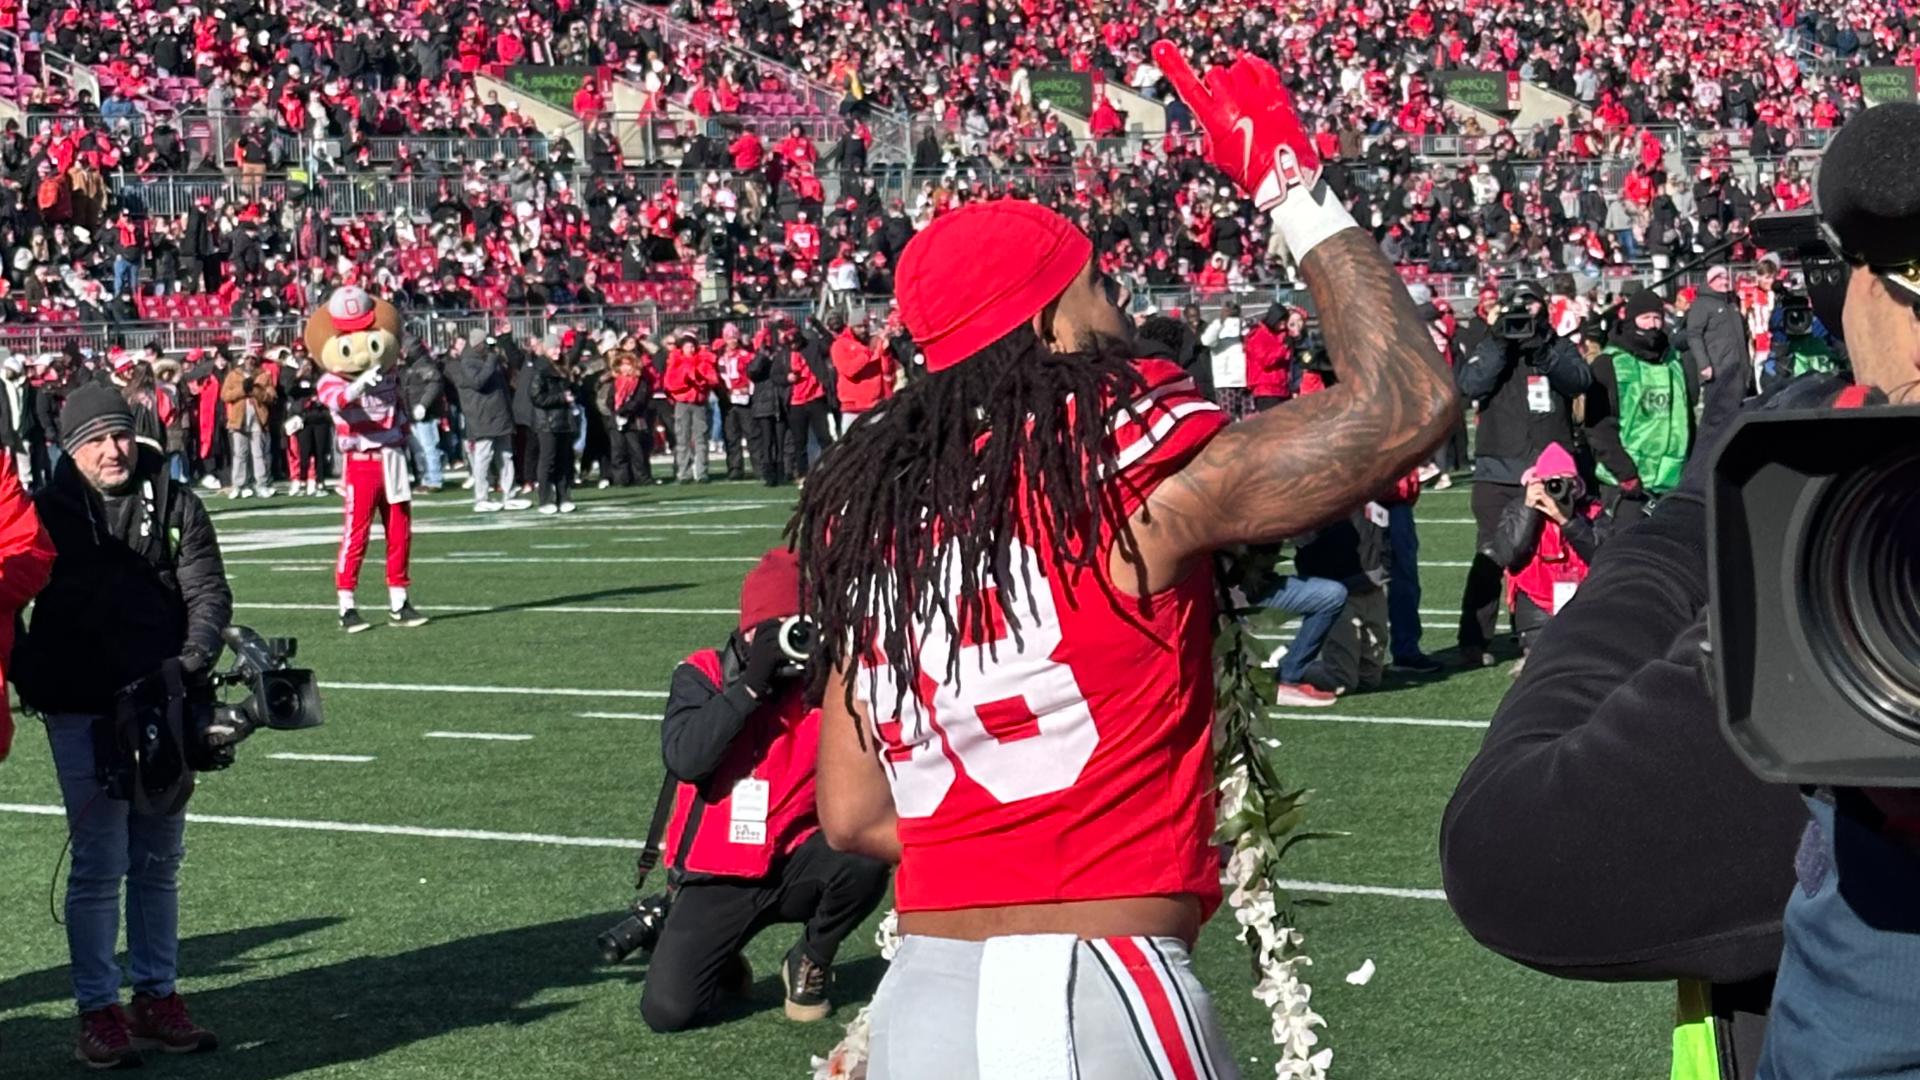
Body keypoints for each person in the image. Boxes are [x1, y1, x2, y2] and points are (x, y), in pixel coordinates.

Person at [795, 43, 1456, 1079]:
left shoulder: (879, 526)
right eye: (1097, 288)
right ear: (1053, 319)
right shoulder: (1121, 479)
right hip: (1084, 989)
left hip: (923, 995)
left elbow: (854, 812)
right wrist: (1293, 187)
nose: (1118, 312)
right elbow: (1406, 404)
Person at [12, 385, 228, 1069]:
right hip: (82, 705)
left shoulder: (174, 501)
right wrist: (28, 671)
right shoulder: (44, 511)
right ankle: (97, 1009)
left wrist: (188, 665)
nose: (112, 449)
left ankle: (157, 995)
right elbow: (8, 594)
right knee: (100, 863)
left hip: (163, 699)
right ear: (70, 448)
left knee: (159, 862)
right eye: (95, 439)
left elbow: (209, 592)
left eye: (120, 435)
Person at [640, 550, 892, 1033]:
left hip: (800, 857)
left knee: (864, 857)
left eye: (800, 632)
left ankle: (811, 956)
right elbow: (687, 759)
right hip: (719, 870)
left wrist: (830, 676)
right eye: (772, 632)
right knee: (669, 1013)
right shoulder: (705, 673)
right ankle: (720, 957)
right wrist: (751, 688)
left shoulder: (832, 683)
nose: (787, 646)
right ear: (746, 629)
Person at [1453, 280, 1593, 667]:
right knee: (1492, 554)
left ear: (1543, 308)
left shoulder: (1557, 345)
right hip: (1498, 470)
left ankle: (1532, 634)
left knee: (1545, 554)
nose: (1524, 315)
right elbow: (1469, 384)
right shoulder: (1490, 344)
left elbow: (1580, 380)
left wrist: (1542, 350)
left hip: (1551, 468)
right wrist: (1500, 343)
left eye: (1531, 306)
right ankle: (1472, 639)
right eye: (1517, 307)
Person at [315, 295, 427, 633]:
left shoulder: (389, 372)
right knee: (357, 533)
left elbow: (398, 414)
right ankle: (347, 604)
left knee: (400, 529)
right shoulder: (334, 379)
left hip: (392, 458)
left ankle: (399, 599)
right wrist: (360, 385)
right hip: (361, 462)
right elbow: (336, 399)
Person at [1484, 443, 1613, 676]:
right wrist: (1529, 509)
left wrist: (1568, 521)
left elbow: (1603, 557)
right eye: (1552, 482)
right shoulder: (1519, 508)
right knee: (1539, 671)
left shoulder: (1591, 511)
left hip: (1584, 602)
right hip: (1536, 606)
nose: (1559, 489)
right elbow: (1508, 554)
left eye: (1566, 482)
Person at [1585, 289, 1696, 507]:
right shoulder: (1609, 363)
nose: (1653, 325)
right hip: (1626, 484)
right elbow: (1598, 428)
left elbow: (1688, 417)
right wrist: (1626, 474)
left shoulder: (1674, 361)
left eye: (1657, 318)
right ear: (1631, 320)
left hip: (1672, 480)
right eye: (1645, 318)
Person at [458, 333, 529, 513]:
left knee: (506, 455)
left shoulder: (491, 360)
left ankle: (509, 494)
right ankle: (481, 497)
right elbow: (478, 382)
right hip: (482, 418)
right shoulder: (467, 362)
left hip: (499, 416)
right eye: (485, 343)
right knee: (483, 458)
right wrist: (491, 360)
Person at [527, 345, 579, 514]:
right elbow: (536, 397)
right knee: (547, 461)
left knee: (563, 461)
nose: (556, 351)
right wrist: (561, 398)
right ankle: (545, 499)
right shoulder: (540, 369)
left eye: (558, 347)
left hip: (563, 421)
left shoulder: (563, 368)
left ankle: (564, 497)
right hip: (547, 423)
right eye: (552, 348)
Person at [220, 351, 276, 500]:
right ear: (242, 360)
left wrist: (254, 390)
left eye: (253, 359)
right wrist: (242, 390)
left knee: (259, 454)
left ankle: (261, 484)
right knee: (240, 454)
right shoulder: (233, 375)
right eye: (247, 358)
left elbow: (271, 397)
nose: (250, 361)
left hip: (258, 420)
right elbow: (225, 395)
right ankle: (239, 485)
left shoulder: (264, 375)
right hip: (238, 420)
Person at [828, 313, 898, 431]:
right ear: (851, 327)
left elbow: (887, 370)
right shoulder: (839, 345)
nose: (863, 330)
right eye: (859, 327)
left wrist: (886, 353)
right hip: (852, 408)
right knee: (850, 447)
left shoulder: (874, 342)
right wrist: (868, 352)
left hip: (876, 405)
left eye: (865, 326)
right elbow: (849, 370)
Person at [666, 335, 719, 484]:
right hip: (682, 403)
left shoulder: (702, 361)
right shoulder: (675, 362)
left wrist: (699, 379)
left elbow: (712, 379)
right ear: (681, 348)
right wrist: (687, 376)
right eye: (688, 346)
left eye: (693, 346)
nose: (691, 349)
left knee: (701, 438)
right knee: (682, 438)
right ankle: (683, 473)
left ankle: (702, 472)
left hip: (699, 403)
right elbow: (670, 383)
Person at [599, 351, 656, 488]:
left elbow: (639, 401)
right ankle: (621, 479)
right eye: (622, 365)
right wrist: (616, 412)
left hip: (633, 421)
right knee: (618, 451)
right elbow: (610, 400)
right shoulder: (616, 382)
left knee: (636, 450)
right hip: (616, 421)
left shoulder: (640, 382)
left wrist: (625, 411)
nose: (625, 368)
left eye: (628, 365)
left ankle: (641, 477)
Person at [402, 344, 446, 493]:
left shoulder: (424, 365)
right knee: (419, 450)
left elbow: (435, 384)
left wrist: (423, 405)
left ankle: (434, 480)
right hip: (412, 414)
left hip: (425, 415)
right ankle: (424, 478)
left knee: (429, 448)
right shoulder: (411, 366)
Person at [1200, 299, 1250, 416]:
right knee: (1228, 421)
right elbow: (1206, 341)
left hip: (1246, 381)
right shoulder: (1217, 325)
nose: (1231, 311)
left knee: (1250, 422)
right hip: (1225, 383)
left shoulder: (1244, 325)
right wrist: (1221, 320)